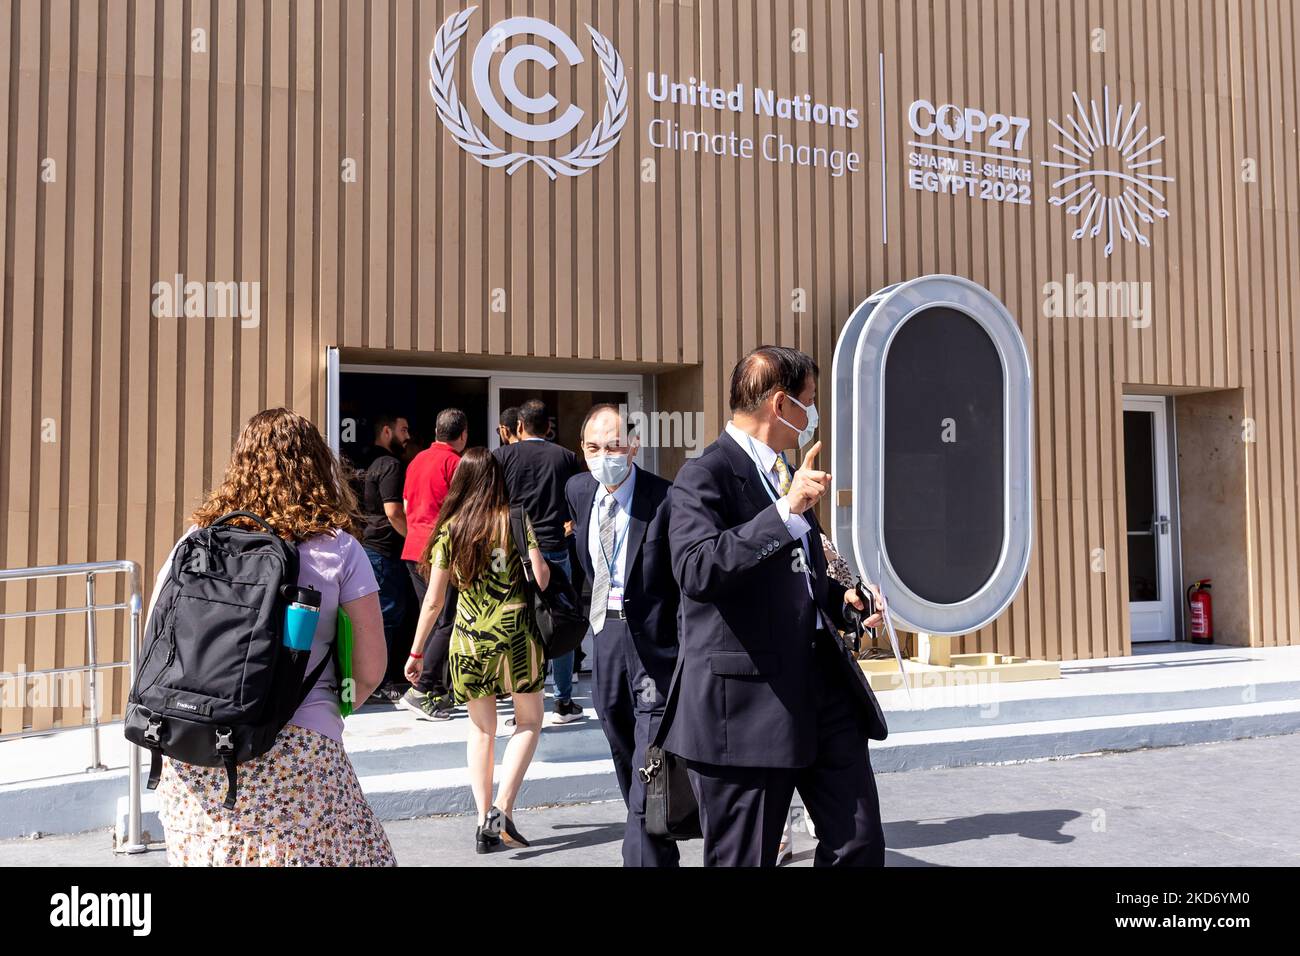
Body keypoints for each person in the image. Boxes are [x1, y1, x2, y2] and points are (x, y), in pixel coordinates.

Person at [665, 346, 888, 868]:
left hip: (822, 690)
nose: (814, 417)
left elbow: (802, 576)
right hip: (746, 704)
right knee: (745, 857)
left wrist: (846, 600)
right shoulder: (705, 473)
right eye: (809, 402)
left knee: (858, 841)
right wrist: (785, 511)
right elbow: (697, 569)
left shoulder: (787, 471)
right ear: (781, 405)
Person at [151, 408, 395, 866]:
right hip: (299, 752)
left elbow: (154, 640)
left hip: (193, 748)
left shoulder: (196, 541)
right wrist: (325, 708)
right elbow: (369, 669)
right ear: (319, 467)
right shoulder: (339, 548)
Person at [404, 448, 550, 853]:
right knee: (529, 722)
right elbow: (540, 575)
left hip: (468, 642)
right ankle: (501, 810)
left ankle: (482, 817)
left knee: (481, 729)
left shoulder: (451, 529)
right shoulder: (515, 519)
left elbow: (434, 601)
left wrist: (416, 653)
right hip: (517, 639)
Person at [566, 404, 680, 866]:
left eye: (613, 446)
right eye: (593, 448)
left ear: (633, 445)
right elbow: (583, 561)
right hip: (604, 632)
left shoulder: (665, 498)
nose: (603, 457)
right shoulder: (578, 490)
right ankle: (650, 826)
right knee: (617, 733)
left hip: (651, 638)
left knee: (649, 746)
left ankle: (644, 849)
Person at [494, 399, 584, 723]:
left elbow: (492, 503)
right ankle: (563, 702)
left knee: (520, 626)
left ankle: (523, 708)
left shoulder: (501, 456)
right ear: (548, 427)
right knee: (560, 622)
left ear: (519, 426)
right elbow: (580, 496)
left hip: (515, 552)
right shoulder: (566, 457)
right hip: (555, 548)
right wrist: (573, 523)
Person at [399, 409, 467, 720]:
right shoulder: (455, 464)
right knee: (447, 619)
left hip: (413, 548)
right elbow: (464, 512)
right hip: (440, 551)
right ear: (463, 435)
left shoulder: (416, 461)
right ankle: (423, 688)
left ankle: (432, 685)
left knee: (427, 618)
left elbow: (405, 505)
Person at [360, 413, 413, 702]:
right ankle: (382, 681)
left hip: (370, 547)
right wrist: (415, 539)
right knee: (388, 616)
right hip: (383, 551)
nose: (407, 436)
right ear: (386, 431)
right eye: (403, 430)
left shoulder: (367, 462)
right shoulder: (391, 464)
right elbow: (393, 511)